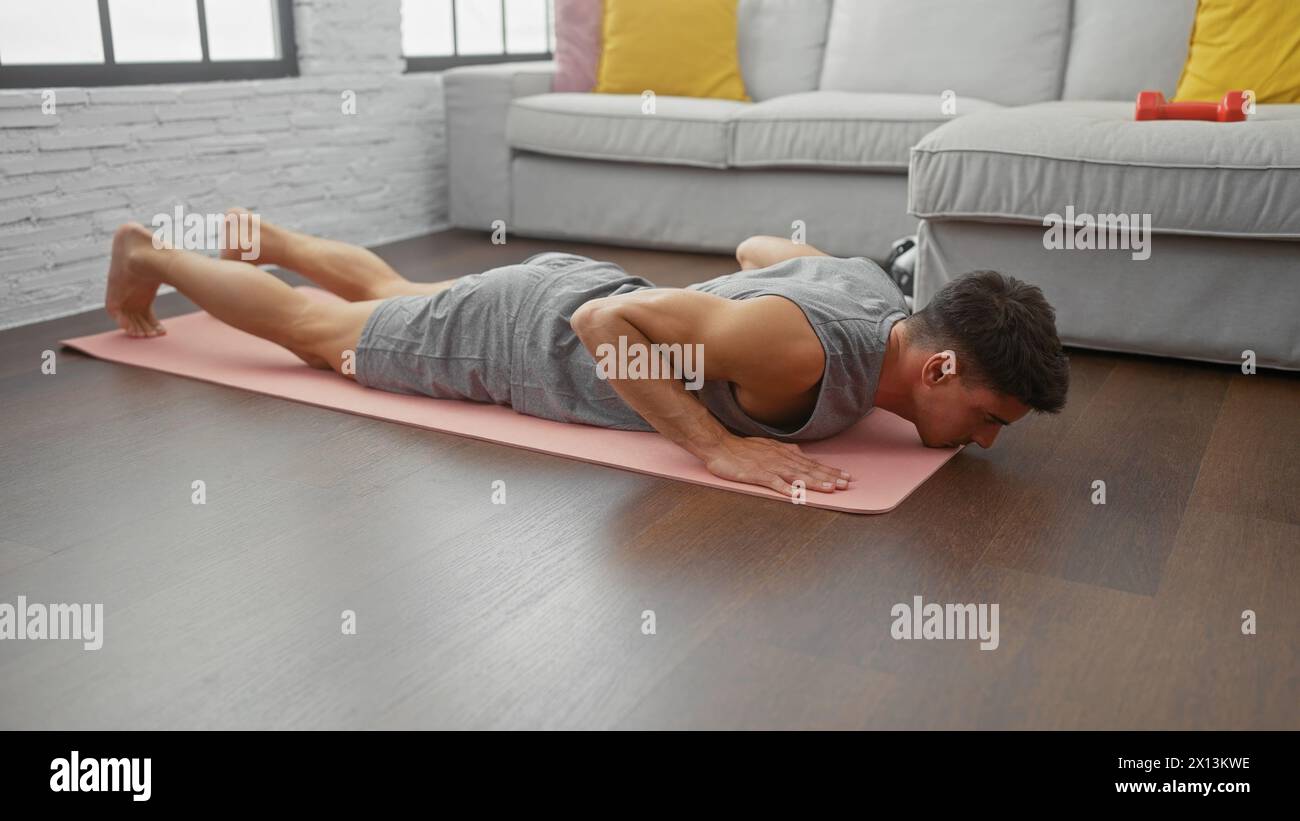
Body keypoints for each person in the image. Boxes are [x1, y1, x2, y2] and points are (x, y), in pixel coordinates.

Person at [105, 212, 1069, 497]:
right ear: (939, 368)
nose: (981, 442)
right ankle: (150, 254)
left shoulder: (877, 291)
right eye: (988, 417)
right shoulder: (801, 352)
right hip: (535, 335)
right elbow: (603, 331)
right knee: (318, 337)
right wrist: (714, 446)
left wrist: (730, 316)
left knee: (400, 299)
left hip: (565, 283)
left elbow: (760, 251)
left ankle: (267, 236)